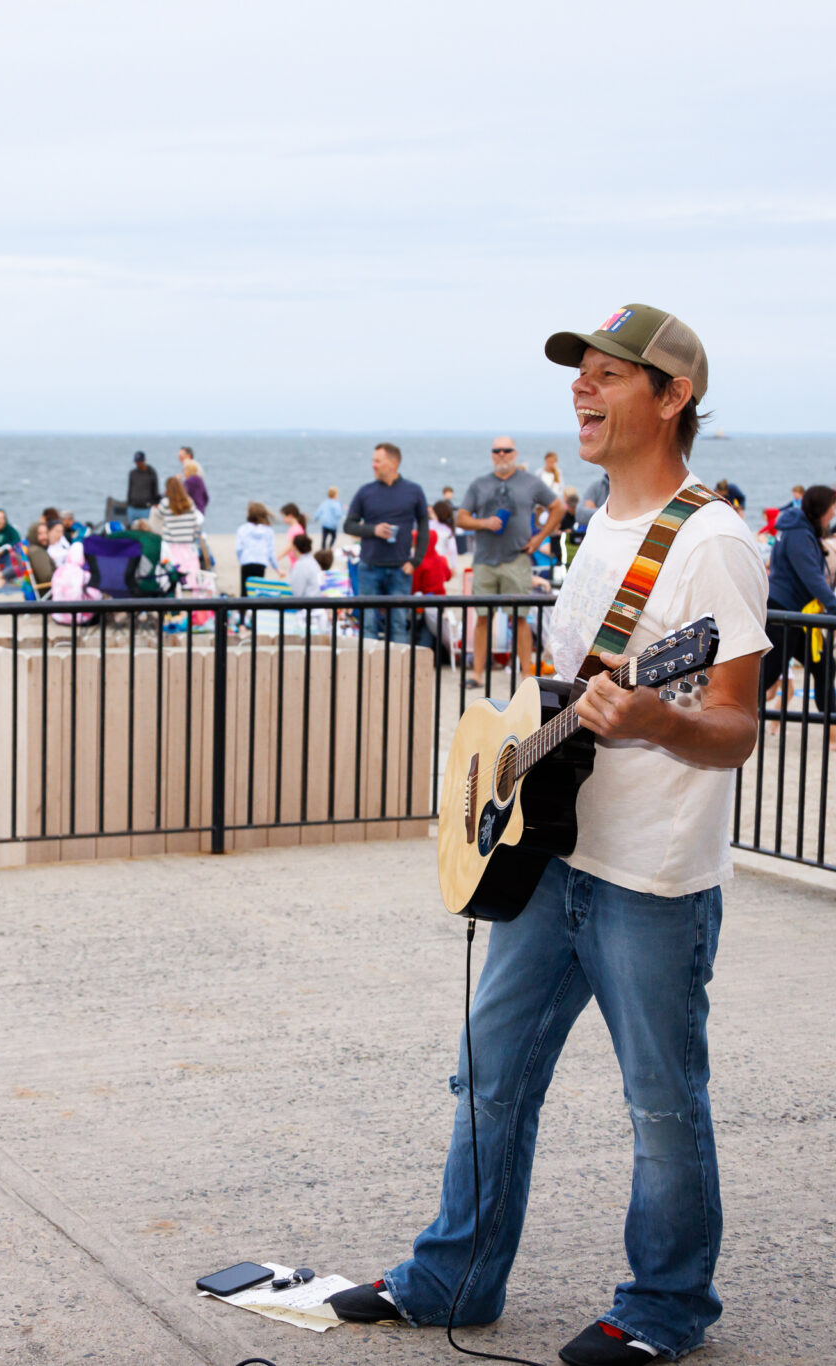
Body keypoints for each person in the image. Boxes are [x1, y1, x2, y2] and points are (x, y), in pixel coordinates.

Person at [329, 303, 767, 1366]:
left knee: (661, 1104)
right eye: (581, 372)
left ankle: (662, 1308)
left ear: (672, 398)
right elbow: (556, 695)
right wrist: (498, 761)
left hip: (648, 880)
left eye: (611, 375)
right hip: (548, 855)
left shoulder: (710, 544)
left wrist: (661, 716)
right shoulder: (595, 529)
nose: (582, 388)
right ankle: (453, 1276)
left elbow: (734, 725)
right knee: (486, 1076)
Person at [452, 436, 565, 679]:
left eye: (506, 450)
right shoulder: (479, 484)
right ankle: (477, 675)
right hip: (484, 561)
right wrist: (484, 522)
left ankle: (527, 674)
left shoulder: (530, 483)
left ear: (514, 453)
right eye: (497, 451)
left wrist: (538, 539)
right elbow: (460, 518)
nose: (502, 454)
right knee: (482, 618)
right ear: (492, 454)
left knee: (521, 618)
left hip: (517, 559)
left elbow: (558, 508)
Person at [762, 484, 836, 751]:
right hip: (783, 613)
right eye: (832, 510)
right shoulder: (798, 533)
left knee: (824, 668)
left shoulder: (799, 529)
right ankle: (735, 728)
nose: (833, 515)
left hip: (796, 615)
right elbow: (812, 578)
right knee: (767, 676)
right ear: (819, 509)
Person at [341, 442, 434, 644]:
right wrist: (373, 530)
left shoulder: (413, 490)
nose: (373, 465)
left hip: (401, 569)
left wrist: (416, 560)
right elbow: (348, 526)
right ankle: (368, 671)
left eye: (377, 461)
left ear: (393, 463)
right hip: (369, 568)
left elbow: (424, 525)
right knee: (368, 624)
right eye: (373, 460)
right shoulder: (365, 492)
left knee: (399, 624)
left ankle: (396, 673)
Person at [154, 476, 205, 587]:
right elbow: (195, 522)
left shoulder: (165, 503)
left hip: (170, 543)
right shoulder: (189, 502)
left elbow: (158, 514)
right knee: (189, 570)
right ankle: (189, 585)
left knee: (169, 569)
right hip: (187, 543)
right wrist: (194, 536)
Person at [234, 503, 277, 593]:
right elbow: (271, 551)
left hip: (246, 562)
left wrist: (241, 560)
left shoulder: (243, 529)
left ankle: (244, 607)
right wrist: (276, 567)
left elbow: (238, 548)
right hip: (261, 563)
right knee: (257, 591)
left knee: (245, 592)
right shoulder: (268, 530)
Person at [125, 451, 160, 523]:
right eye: (137, 462)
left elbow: (155, 489)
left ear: (144, 460)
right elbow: (130, 489)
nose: (138, 464)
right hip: (133, 508)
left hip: (146, 509)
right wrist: (128, 504)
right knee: (133, 530)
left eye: (139, 462)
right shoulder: (132, 473)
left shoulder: (151, 472)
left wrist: (156, 503)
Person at [285, 533, 320, 597]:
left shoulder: (301, 565)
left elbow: (296, 592)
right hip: (316, 600)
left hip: (307, 603)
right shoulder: (312, 561)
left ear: (295, 547)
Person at [177, 449, 209, 514]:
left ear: (188, 456)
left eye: (181, 456)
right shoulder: (198, 478)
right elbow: (206, 497)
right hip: (199, 508)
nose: (179, 459)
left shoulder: (190, 467)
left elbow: (182, 493)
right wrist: (202, 506)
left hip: (192, 509)